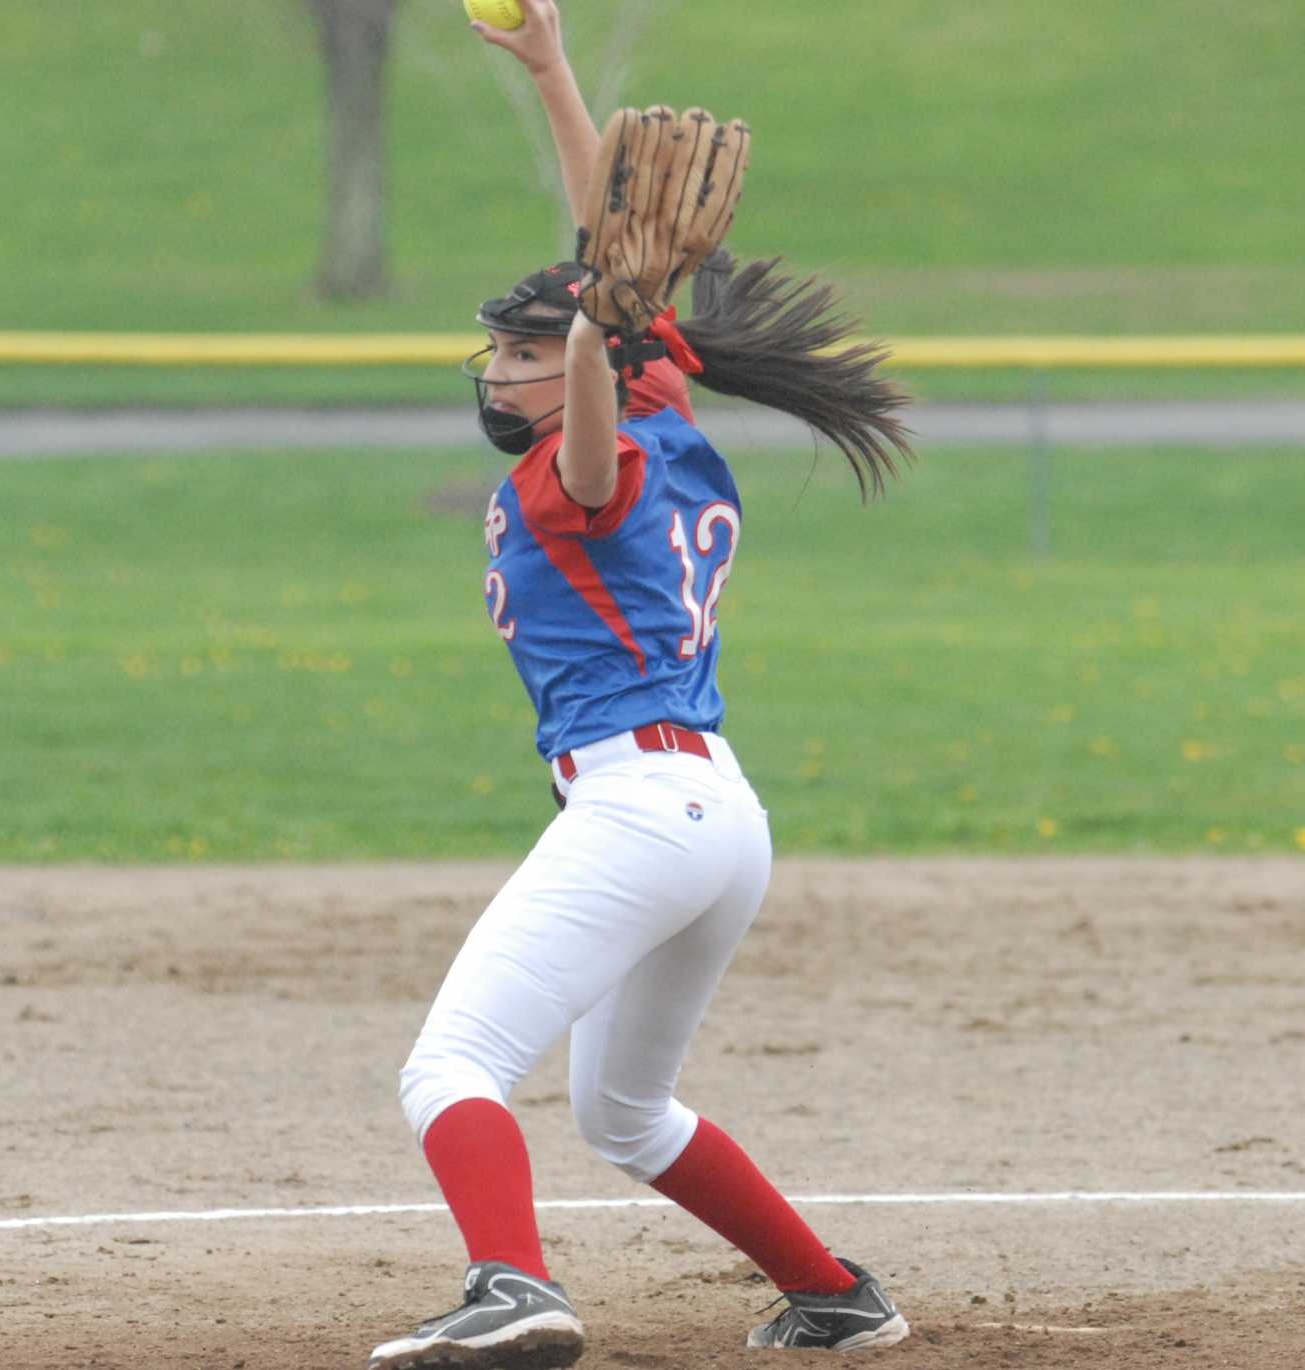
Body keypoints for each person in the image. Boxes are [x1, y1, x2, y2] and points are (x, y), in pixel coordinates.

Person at [367, 6, 917, 1367]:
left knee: (449, 1067)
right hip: (716, 817)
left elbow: (594, 425)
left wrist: (599, 346)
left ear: (574, 379)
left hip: (636, 806)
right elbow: (600, 269)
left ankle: (512, 1284)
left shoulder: (583, 466)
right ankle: (837, 1293)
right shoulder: (666, 408)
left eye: (514, 353)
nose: (495, 367)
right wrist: (552, 71)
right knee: (624, 1110)